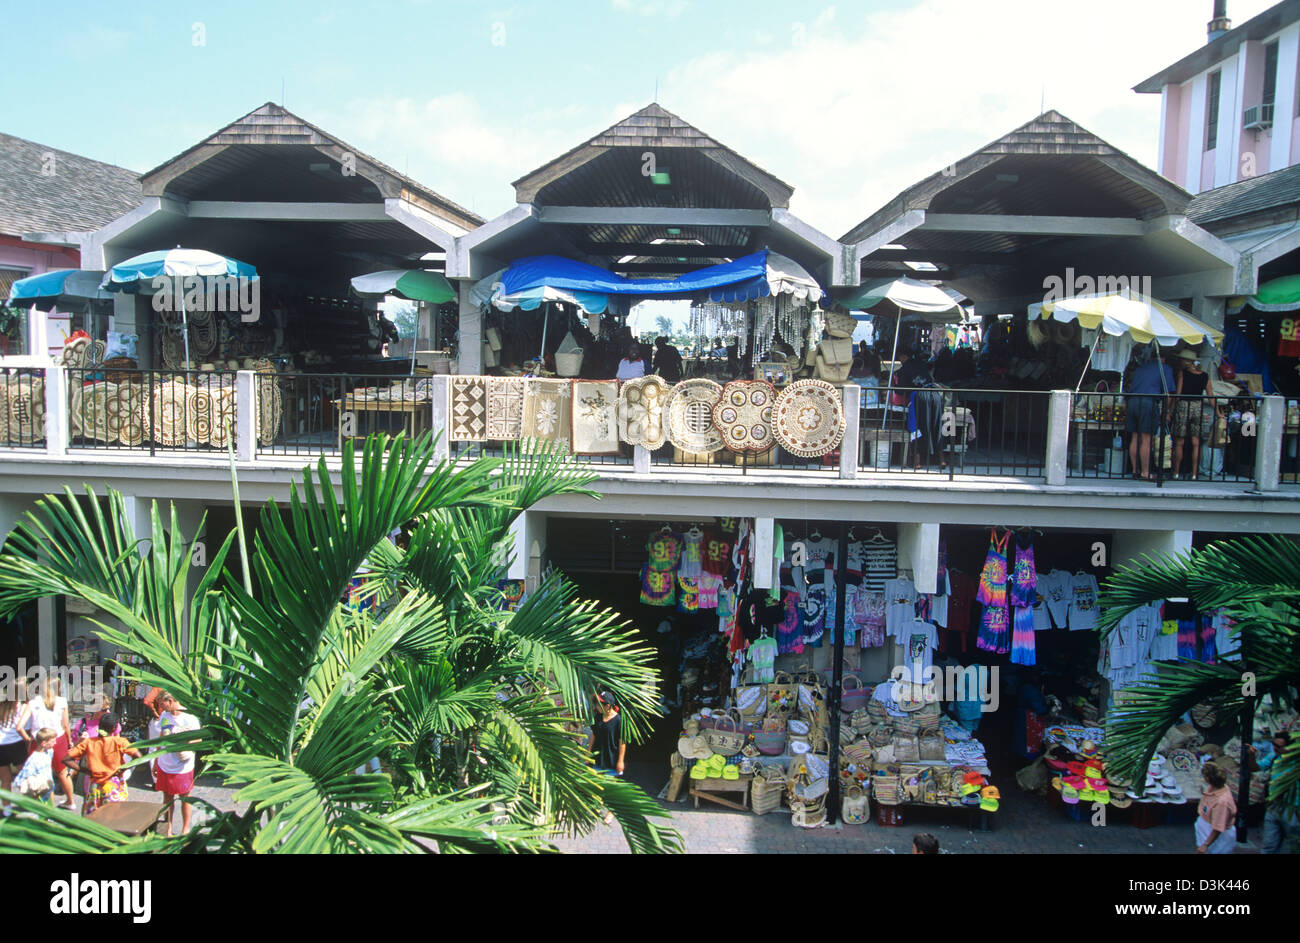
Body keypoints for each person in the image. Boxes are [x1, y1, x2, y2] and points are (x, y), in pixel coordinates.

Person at [62, 712, 139, 815]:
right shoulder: (120, 742)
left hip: (95, 786)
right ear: (114, 728)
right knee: (114, 817)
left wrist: (84, 770)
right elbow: (138, 756)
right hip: (114, 784)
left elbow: (66, 759)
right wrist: (124, 768)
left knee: (95, 816)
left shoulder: (89, 742)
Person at [155, 692, 201, 836]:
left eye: (162, 705)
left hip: (182, 765)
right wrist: (156, 759)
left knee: (185, 798)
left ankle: (185, 829)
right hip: (165, 763)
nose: (160, 709)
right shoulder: (164, 716)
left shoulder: (190, 718)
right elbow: (161, 736)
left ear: (169, 701)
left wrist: (182, 741)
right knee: (167, 798)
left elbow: (198, 740)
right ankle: (167, 828)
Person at [1125, 353, 1176, 481]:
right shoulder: (1165, 368)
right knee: (1147, 439)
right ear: (1163, 358)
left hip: (1132, 401)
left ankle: (1135, 470)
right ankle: (1145, 473)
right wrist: (1166, 411)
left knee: (1135, 437)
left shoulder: (1140, 368)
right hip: (1148, 402)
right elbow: (1168, 393)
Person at [893, 348, 946, 470]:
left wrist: (894, 385)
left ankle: (917, 461)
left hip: (920, 397)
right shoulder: (921, 363)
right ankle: (942, 460)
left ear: (902, 357)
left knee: (917, 426)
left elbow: (900, 390)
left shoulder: (903, 370)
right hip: (935, 395)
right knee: (937, 425)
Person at [28, 677, 74, 809]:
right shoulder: (61, 701)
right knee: (62, 772)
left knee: (42, 774)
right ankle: (71, 801)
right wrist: (69, 740)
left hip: (39, 740)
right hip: (58, 738)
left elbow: (27, 724)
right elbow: (65, 724)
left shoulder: (34, 702)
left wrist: (28, 738)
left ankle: (47, 807)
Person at [1169, 349, 1214, 480]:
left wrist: (1170, 410)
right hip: (1198, 407)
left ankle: (1176, 472)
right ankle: (1194, 474)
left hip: (1183, 406)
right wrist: (1218, 413)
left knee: (1179, 441)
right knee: (1196, 442)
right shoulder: (1205, 376)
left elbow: (1177, 394)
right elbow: (1211, 396)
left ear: (1186, 361)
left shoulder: (1182, 374)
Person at [1259, 730, 1299, 854]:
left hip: (1292, 808)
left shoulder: (1296, 763)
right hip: (1274, 805)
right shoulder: (1273, 756)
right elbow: (1257, 766)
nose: (1275, 748)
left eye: (1278, 746)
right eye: (1274, 745)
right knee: (1269, 845)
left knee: (1291, 846)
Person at [0, 679, 32, 802]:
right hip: (16, 745)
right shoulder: (25, 707)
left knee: (5, 780)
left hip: (1, 746)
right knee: (28, 778)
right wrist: (29, 744)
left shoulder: (2, 706)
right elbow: (26, 730)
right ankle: (33, 806)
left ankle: (7, 809)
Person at [1195, 762, 1237, 854]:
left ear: (1207, 779)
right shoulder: (1216, 787)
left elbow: (1218, 828)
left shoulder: (1222, 802)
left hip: (1215, 836)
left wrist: (1205, 845)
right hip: (1206, 827)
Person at [12, 727, 58, 805]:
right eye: (53, 741)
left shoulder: (49, 752)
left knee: (46, 805)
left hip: (47, 787)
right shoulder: (34, 759)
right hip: (38, 790)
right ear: (44, 743)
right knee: (37, 808)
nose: (55, 743)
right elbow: (25, 775)